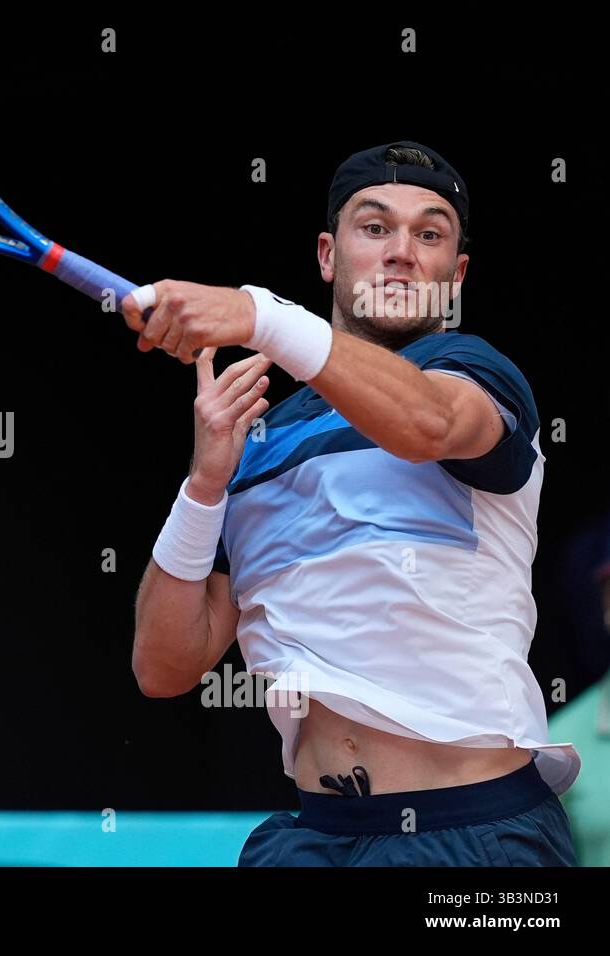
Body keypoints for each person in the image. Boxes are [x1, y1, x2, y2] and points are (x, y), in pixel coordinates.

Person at [125, 141, 579, 866]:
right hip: (312, 837)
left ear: (454, 276)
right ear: (329, 255)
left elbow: (426, 424)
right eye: (375, 228)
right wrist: (204, 486)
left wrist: (257, 316)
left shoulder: (468, 373)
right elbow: (164, 668)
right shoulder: (257, 438)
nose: (402, 251)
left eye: (429, 234)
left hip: (472, 835)